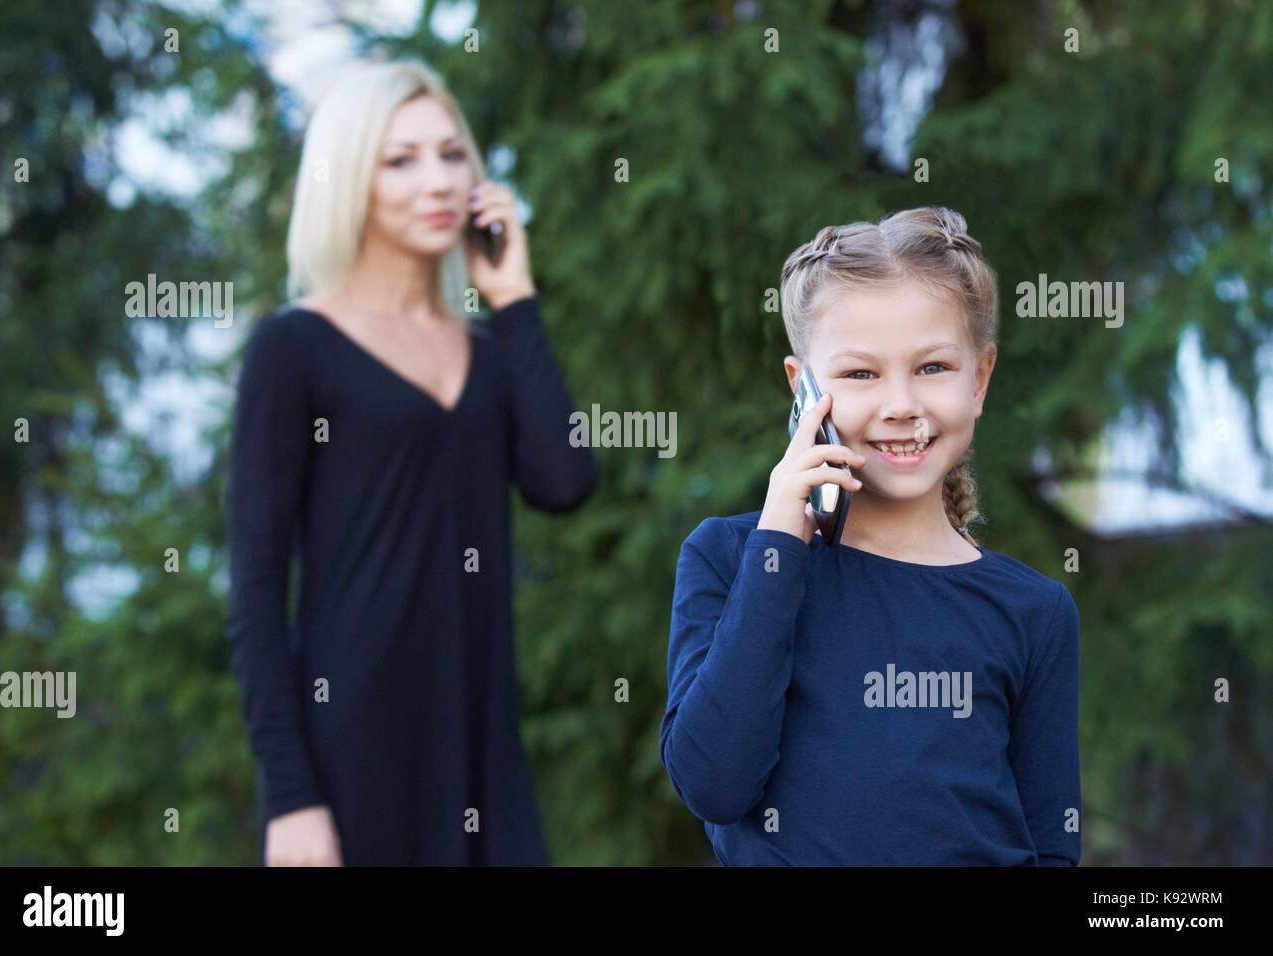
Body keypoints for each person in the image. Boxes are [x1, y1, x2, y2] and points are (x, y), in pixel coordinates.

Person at [226, 60, 597, 866]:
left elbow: (563, 483)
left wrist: (517, 299)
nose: (436, 180)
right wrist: (291, 798)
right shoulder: (292, 350)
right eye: (401, 160)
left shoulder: (491, 358)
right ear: (349, 179)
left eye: (450, 154)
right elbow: (254, 588)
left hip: (480, 750)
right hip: (349, 757)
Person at [660, 207, 1081, 865]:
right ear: (803, 390)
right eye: (861, 374)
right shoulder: (729, 559)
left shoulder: (1035, 612)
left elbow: (1053, 844)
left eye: (933, 368)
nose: (901, 405)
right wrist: (779, 542)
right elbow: (714, 782)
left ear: (980, 378)